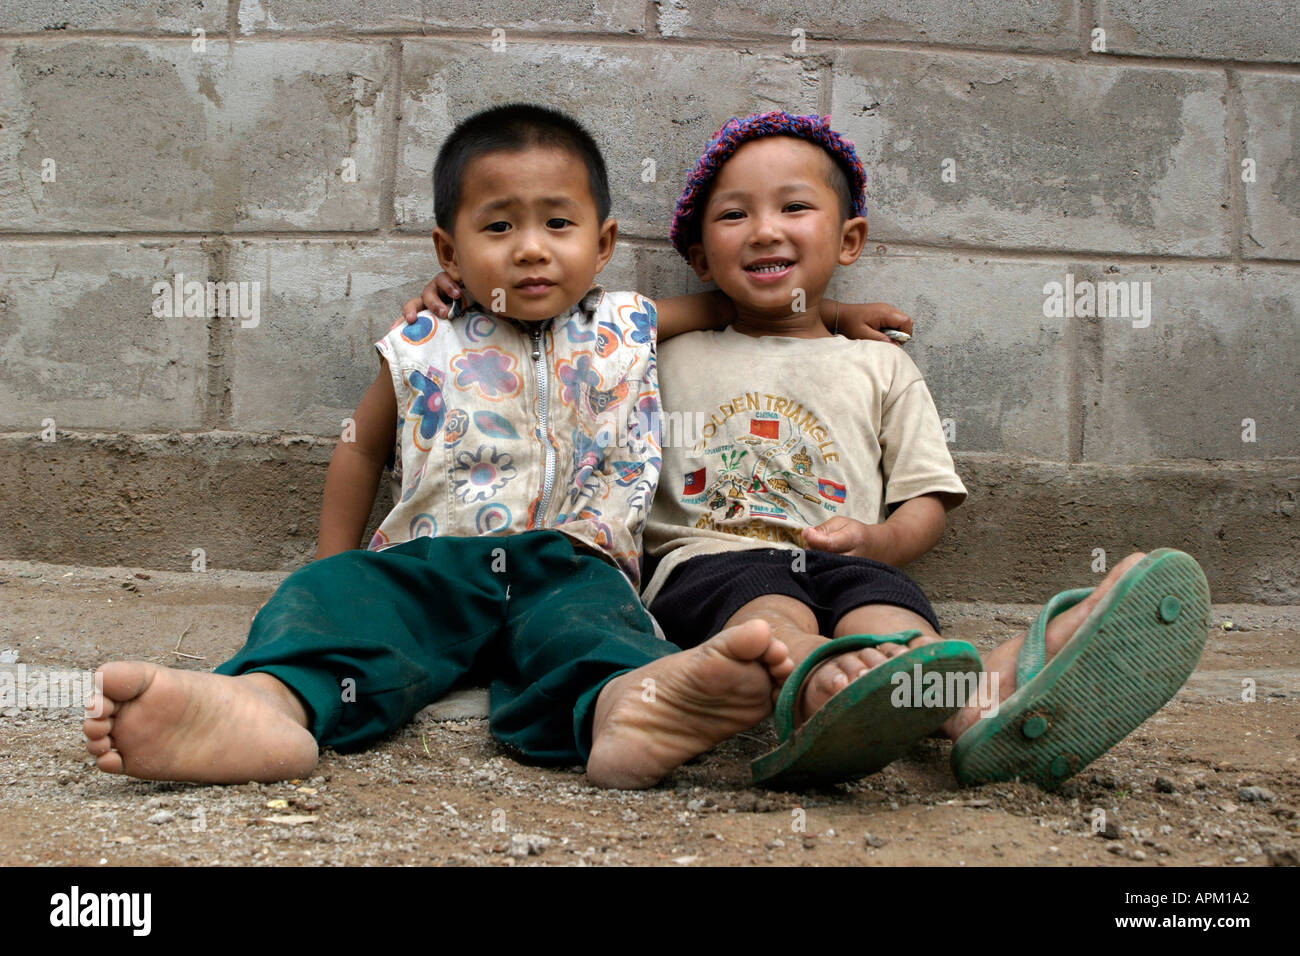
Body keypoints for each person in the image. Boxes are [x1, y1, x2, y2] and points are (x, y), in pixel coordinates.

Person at [83, 103, 818, 790]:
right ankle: (265, 705)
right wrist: (336, 562)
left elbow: (736, 301)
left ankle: (627, 707)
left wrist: (838, 312)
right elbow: (360, 449)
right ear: (449, 248)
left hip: (573, 561)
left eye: (558, 224)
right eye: (497, 228)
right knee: (333, 607)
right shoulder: (422, 339)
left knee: (597, 633)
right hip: (433, 560)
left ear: (603, 245)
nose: (531, 249)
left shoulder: (628, 321)